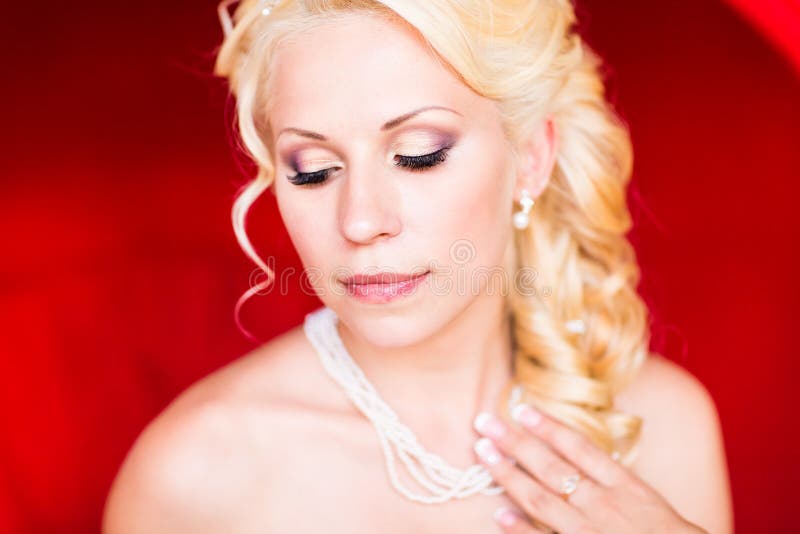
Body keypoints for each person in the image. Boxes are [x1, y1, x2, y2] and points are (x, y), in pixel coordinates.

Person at [102, 0, 734, 532]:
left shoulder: (665, 429)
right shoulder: (196, 475)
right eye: (313, 170)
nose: (359, 220)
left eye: (417, 155)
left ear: (532, 158)